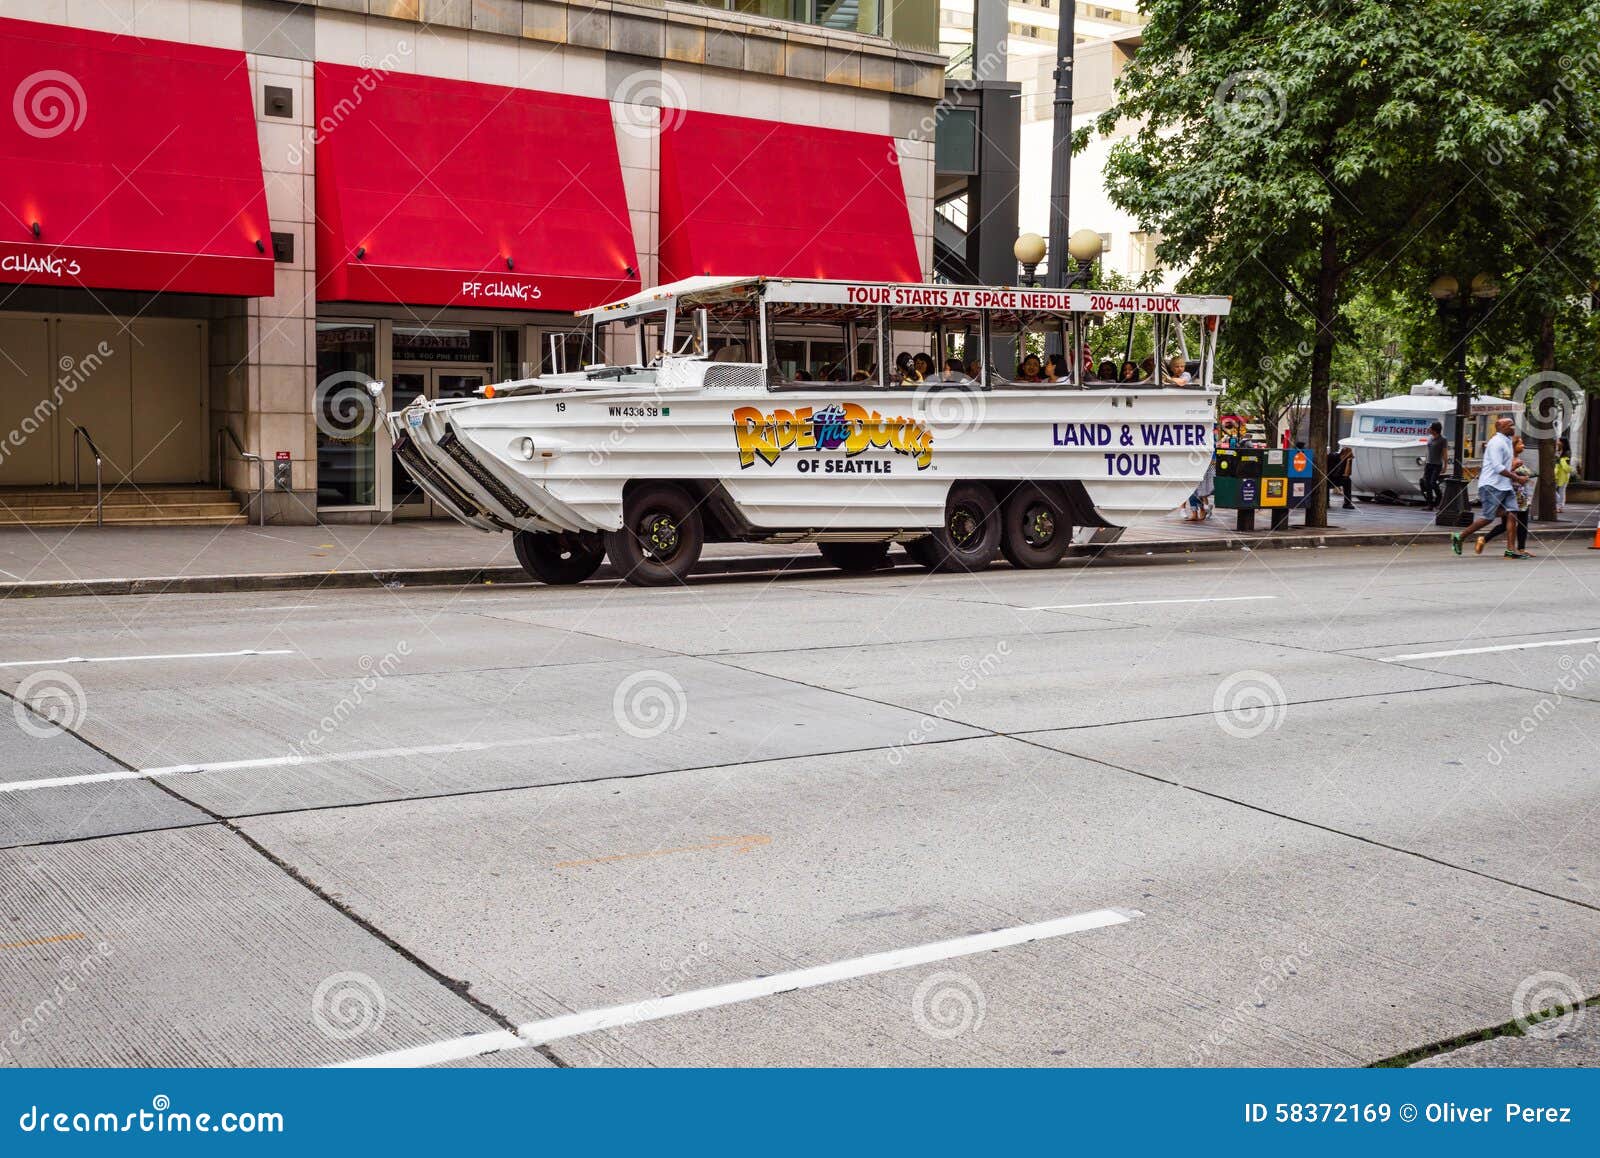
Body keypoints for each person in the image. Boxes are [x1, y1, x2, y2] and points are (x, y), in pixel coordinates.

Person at [1453, 415, 1525, 558]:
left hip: (1505, 485)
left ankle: (1511, 550)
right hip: (1491, 485)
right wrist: (1517, 477)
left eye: (1513, 425)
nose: (1513, 428)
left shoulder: (1507, 441)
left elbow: (1503, 466)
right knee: (1488, 517)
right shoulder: (1496, 443)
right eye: (1509, 426)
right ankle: (1460, 536)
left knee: (1512, 514)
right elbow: (1498, 467)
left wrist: (1514, 468)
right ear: (1500, 428)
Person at [1479, 436, 1534, 556]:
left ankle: (1484, 539)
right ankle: (1519, 549)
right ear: (1513, 446)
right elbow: (1502, 473)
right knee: (1521, 523)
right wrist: (1515, 469)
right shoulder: (1510, 460)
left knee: (1506, 525)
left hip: (1520, 495)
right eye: (1520, 444)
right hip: (1513, 495)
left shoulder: (1517, 459)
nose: (1523, 446)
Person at [1420, 421, 1447, 510]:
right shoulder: (1430, 438)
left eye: (1430, 428)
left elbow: (1444, 453)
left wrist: (1445, 466)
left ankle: (1440, 499)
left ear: (1435, 430)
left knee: (1432, 482)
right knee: (1426, 484)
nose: (1428, 429)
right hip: (1428, 464)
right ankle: (1430, 504)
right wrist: (1425, 461)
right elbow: (1428, 451)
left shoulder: (1443, 440)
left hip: (1437, 464)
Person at [1327, 444, 1355, 509]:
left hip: (1337, 478)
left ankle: (1347, 503)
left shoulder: (1347, 460)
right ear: (1342, 454)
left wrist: (1348, 462)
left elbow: (1347, 474)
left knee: (1347, 480)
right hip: (1328, 477)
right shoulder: (1332, 457)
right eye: (1347, 457)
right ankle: (1326, 502)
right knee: (1326, 481)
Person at [1554, 444, 1573, 514]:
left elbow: (1567, 468)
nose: (1558, 442)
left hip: (1563, 475)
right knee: (1553, 490)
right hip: (1556, 474)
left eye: (1559, 441)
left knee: (1562, 491)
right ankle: (1559, 505)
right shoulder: (1557, 451)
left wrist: (1561, 460)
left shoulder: (1567, 453)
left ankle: (1560, 507)